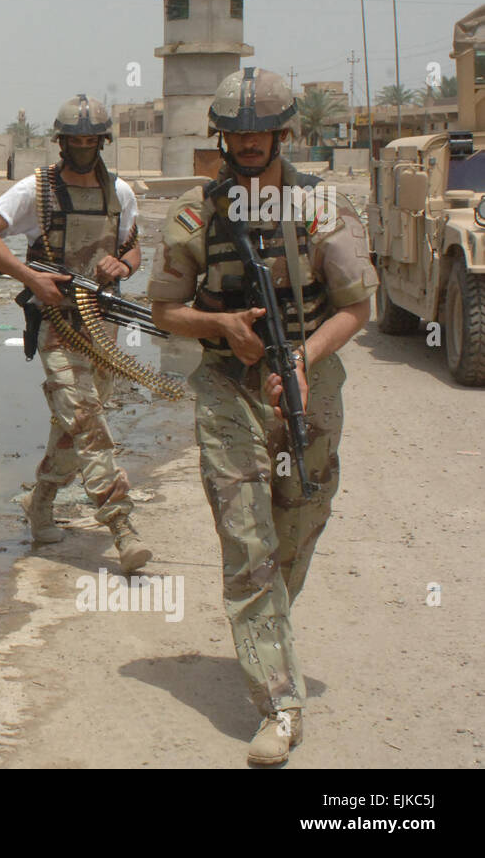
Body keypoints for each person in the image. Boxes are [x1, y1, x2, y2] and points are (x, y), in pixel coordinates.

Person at [146, 67, 377, 766]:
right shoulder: (194, 215)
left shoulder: (322, 208)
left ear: (283, 134)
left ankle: (266, 621)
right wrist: (222, 328)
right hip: (227, 386)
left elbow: (356, 308)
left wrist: (302, 360)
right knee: (247, 544)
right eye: (237, 133)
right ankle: (280, 702)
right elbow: (164, 312)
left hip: (311, 379)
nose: (249, 143)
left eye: (261, 132)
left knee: (300, 518)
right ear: (223, 136)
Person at [0, 94, 151, 573]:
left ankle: (40, 499)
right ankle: (120, 524)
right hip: (58, 325)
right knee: (87, 420)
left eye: (92, 140)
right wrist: (30, 279)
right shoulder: (37, 190)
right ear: (62, 143)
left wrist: (121, 265)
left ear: (103, 142)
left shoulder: (120, 193)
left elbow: (134, 250)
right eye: (76, 141)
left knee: (75, 424)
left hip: (103, 324)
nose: (84, 148)